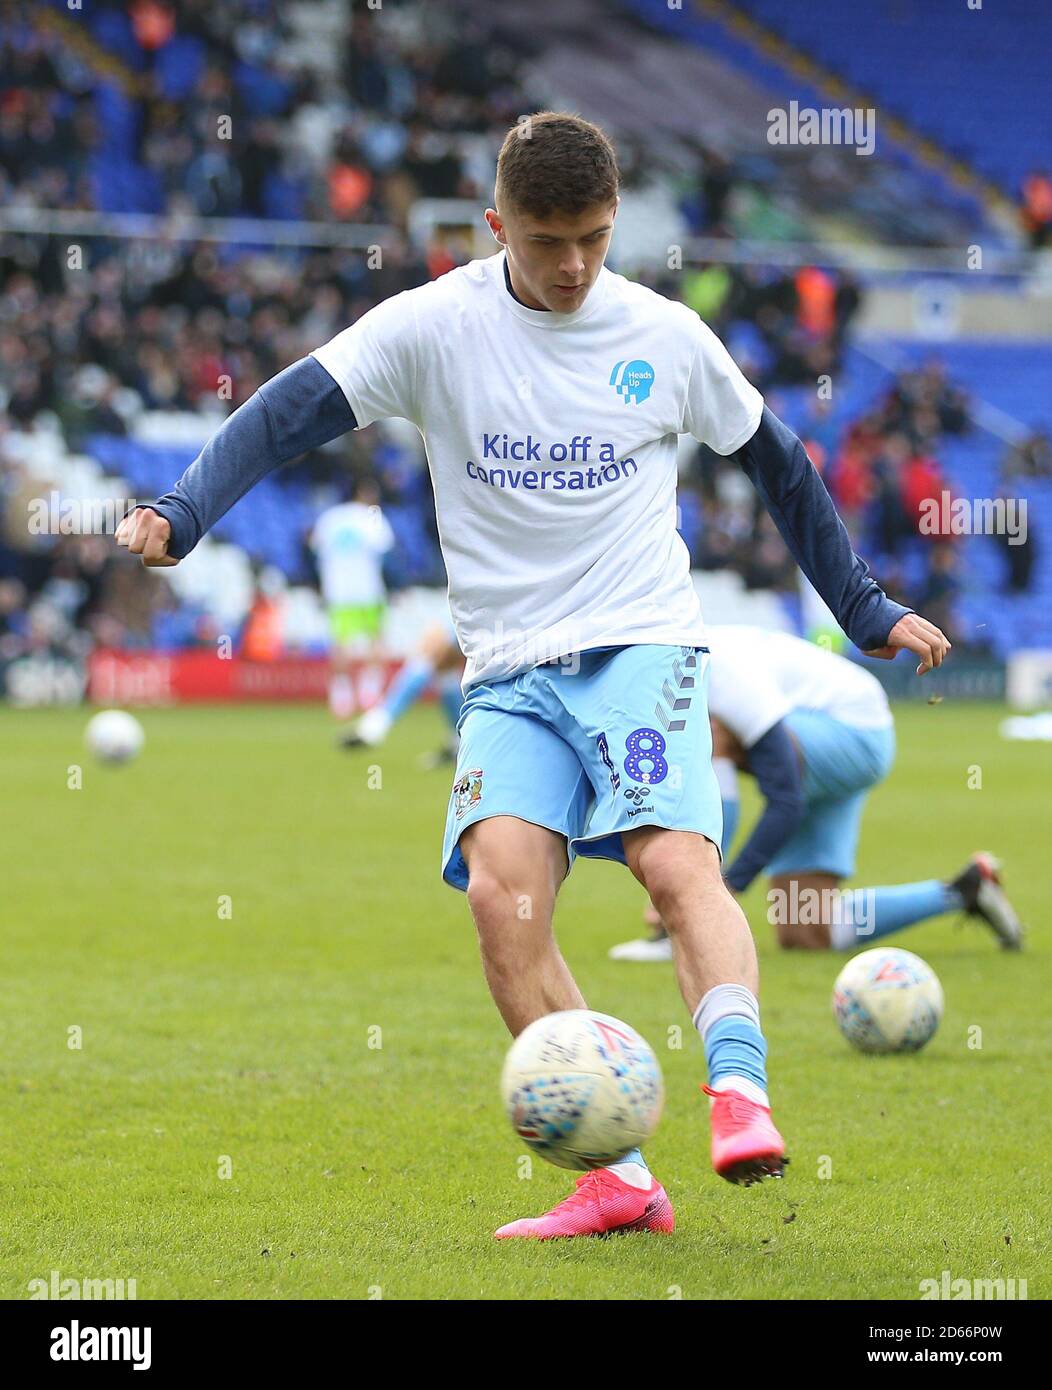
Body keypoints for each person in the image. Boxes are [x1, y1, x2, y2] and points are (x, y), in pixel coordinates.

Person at [116, 112, 950, 1240]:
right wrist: (183, 511)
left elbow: (777, 460)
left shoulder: (661, 334)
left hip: (640, 641)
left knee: (670, 862)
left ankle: (738, 1089)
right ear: (496, 222)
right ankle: (617, 1175)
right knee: (504, 906)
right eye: (548, 241)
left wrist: (860, 605)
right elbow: (283, 414)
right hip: (507, 671)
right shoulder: (430, 328)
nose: (571, 268)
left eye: (594, 241)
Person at [611, 626, 1022, 963]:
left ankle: (695, 904)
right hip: (834, 742)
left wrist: (719, 890)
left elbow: (785, 799)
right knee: (804, 927)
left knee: (714, 737)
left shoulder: (717, 671)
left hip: (852, 731)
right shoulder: (686, 660)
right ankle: (965, 889)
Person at [309, 478, 394, 721]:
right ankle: (370, 692)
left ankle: (341, 696)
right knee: (376, 639)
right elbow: (386, 551)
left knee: (341, 642)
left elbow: (314, 549)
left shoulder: (330, 518)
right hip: (367, 589)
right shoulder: (373, 516)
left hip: (338, 591)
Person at [340, 618, 464, 766]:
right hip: (481, 611)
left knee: (431, 654)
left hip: (486, 613)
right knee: (442, 667)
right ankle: (458, 741)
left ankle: (376, 725)